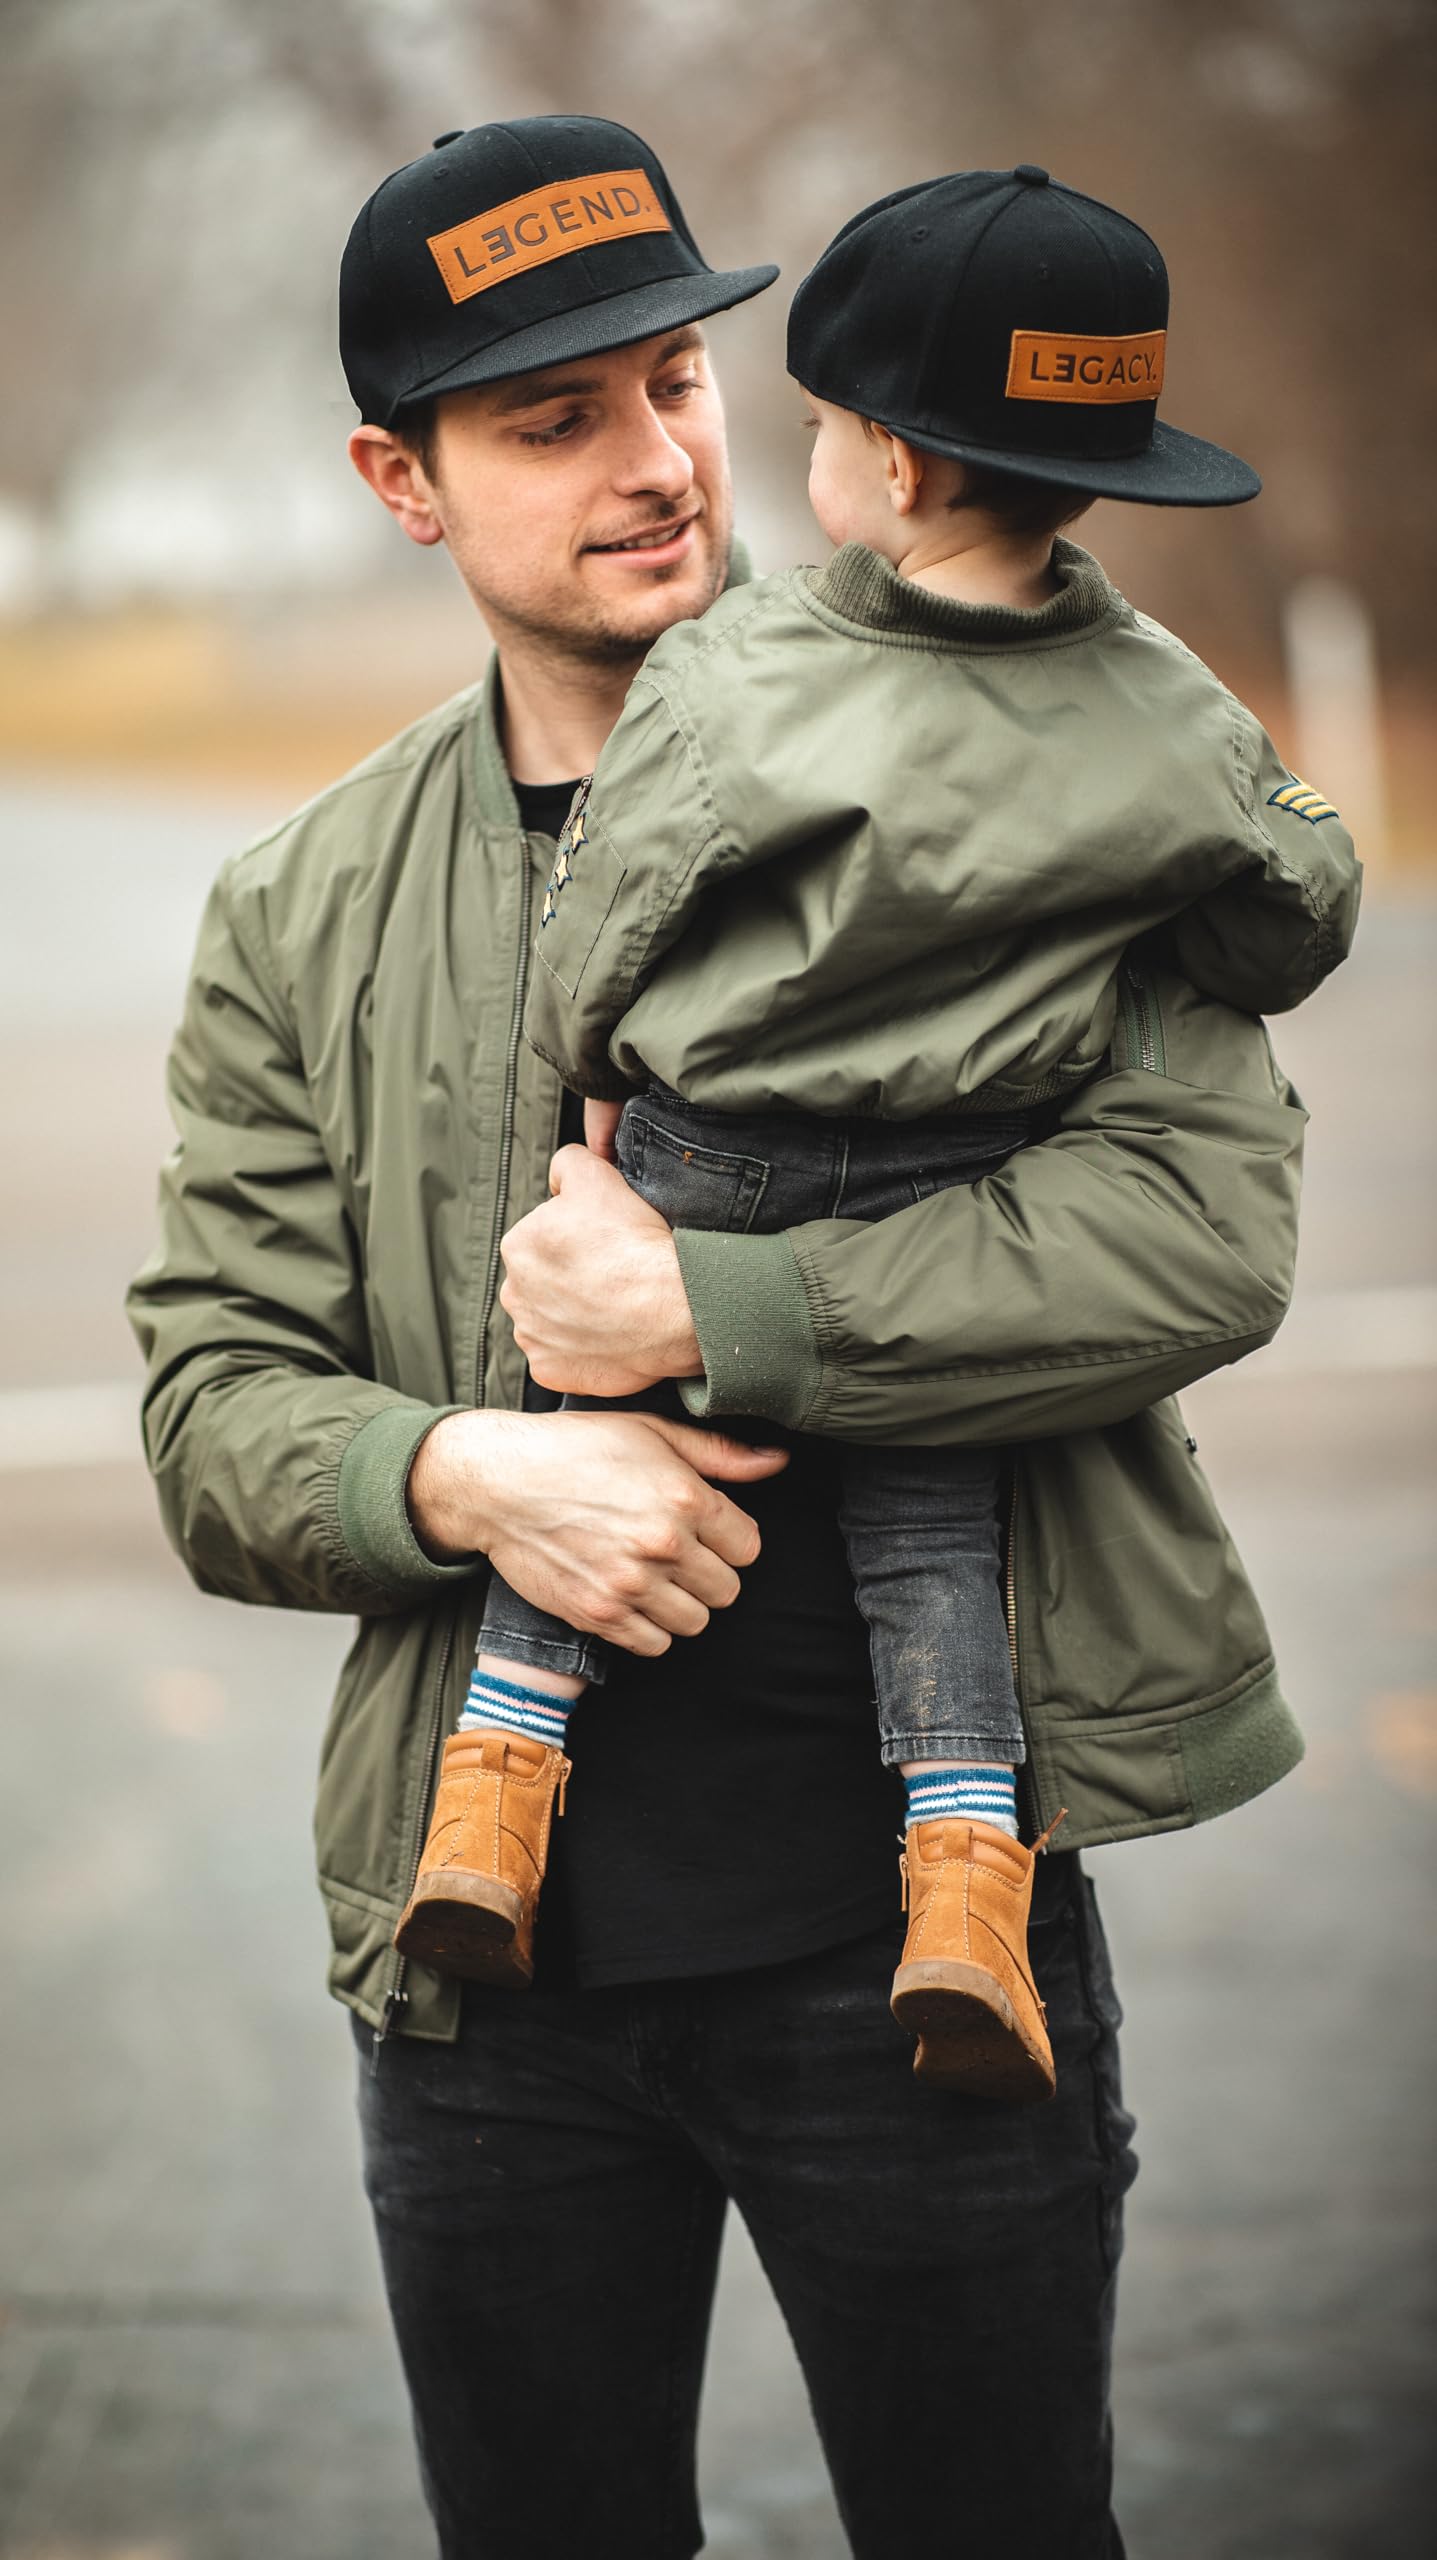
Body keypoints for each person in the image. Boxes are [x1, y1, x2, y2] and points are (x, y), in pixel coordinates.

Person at [127, 115, 1321, 2558]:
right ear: (401, 478)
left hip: (924, 1936)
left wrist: (730, 1306)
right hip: (482, 1995)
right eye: (550, 418)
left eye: (671, 379)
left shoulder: (1032, 767)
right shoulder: (301, 908)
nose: (654, 460)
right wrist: (476, 1474)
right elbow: (209, 1406)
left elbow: (1200, 1232)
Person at [405, 165, 1358, 2116]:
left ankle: (488, 1805)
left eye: (818, 425)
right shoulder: (1165, 714)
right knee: (940, 1533)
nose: (800, 458)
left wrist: (589, 1064)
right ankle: (961, 1890)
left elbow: (615, 900)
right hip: (948, 1176)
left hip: (708, 1158)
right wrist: (1168, 918)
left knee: (580, 1435)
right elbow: (1295, 904)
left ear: (898, 468)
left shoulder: (750, 672)